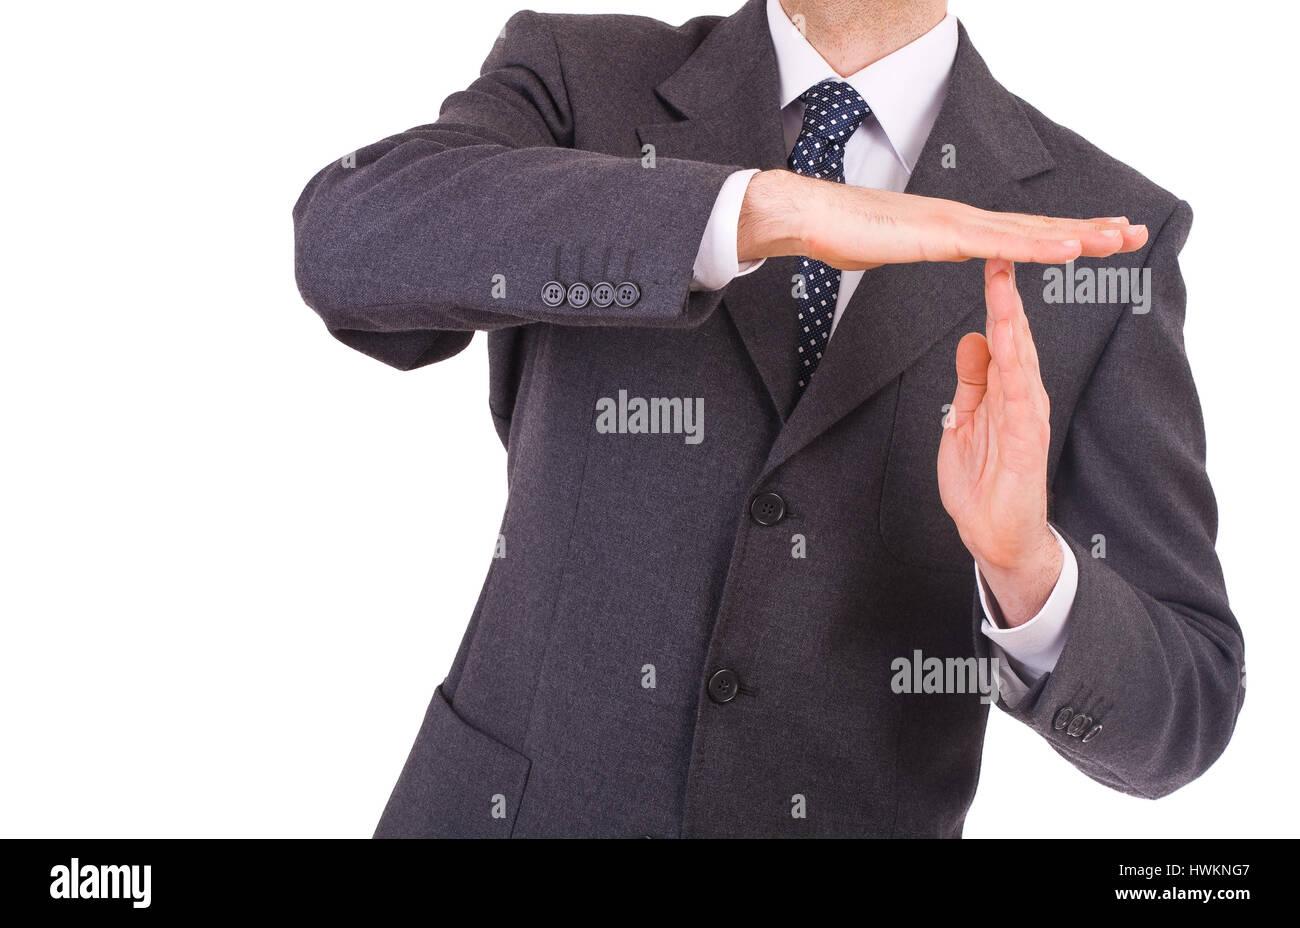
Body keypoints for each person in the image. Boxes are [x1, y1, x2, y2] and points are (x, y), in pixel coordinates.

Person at [292, 0, 1244, 837]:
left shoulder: (1108, 232)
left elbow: (1187, 706)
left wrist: (1027, 571)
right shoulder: (582, 77)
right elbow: (346, 242)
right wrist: (746, 211)